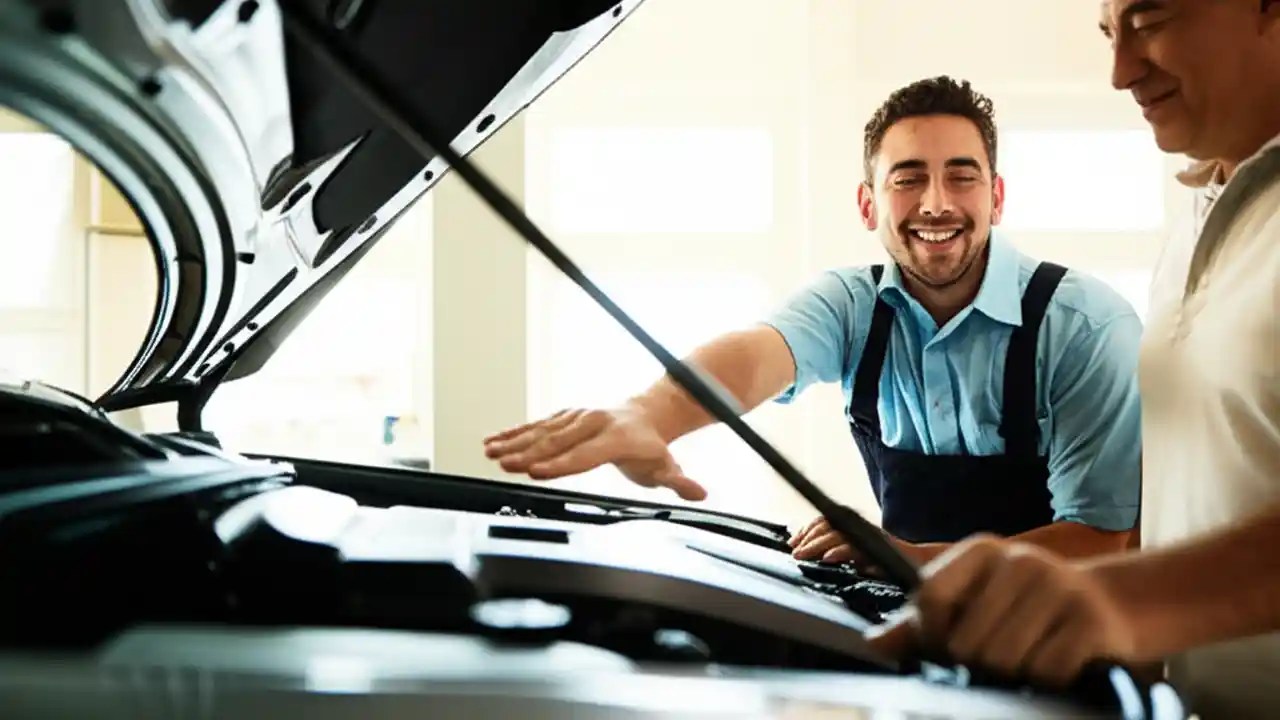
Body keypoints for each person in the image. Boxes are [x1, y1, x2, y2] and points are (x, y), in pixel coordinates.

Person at [485, 76, 1144, 567]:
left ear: (996, 197)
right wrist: (650, 415)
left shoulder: (1084, 327)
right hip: (928, 643)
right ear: (868, 205)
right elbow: (756, 355)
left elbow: (1104, 540)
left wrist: (903, 560)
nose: (936, 203)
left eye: (961, 177)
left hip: (1069, 656)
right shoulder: (852, 308)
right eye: (908, 179)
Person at [866, 1, 1280, 717]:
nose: (1120, 70)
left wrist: (1117, 599)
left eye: (1150, 20)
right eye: (1107, 34)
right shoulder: (1202, 212)